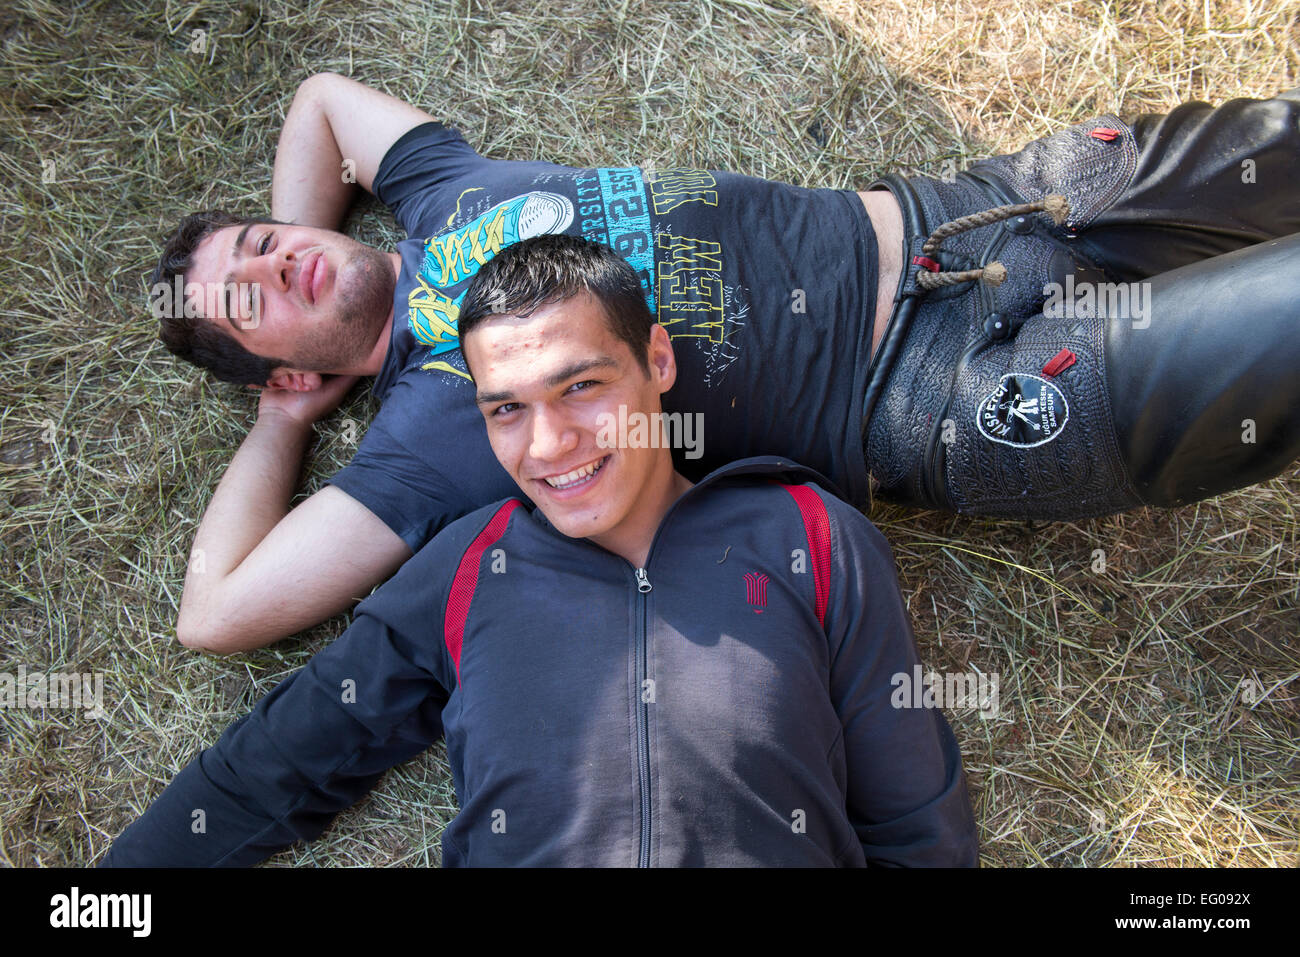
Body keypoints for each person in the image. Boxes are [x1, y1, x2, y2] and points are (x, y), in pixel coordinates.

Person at [151, 72, 1300, 652]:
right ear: (277, 370)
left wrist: (310, 263)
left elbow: (318, 102)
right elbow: (216, 611)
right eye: (250, 303)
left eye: (263, 243)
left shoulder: (434, 187)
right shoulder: (431, 436)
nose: (280, 264)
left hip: (987, 205)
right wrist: (288, 421)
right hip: (956, 395)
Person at [106, 235, 979, 867]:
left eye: (582, 386)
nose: (552, 444)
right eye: (507, 409)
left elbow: (917, 828)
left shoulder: (809, 534)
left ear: (659, 362)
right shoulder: (464, 568)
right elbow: (278, 763)